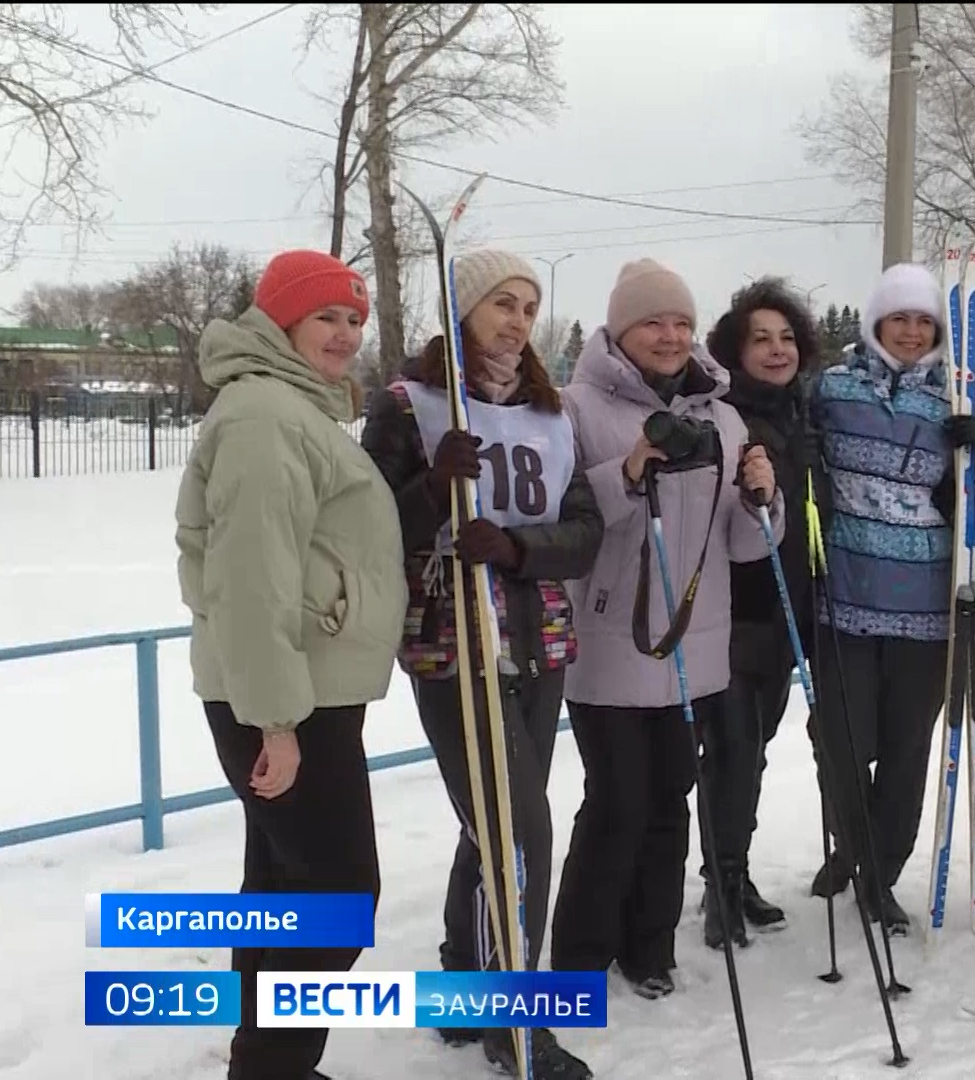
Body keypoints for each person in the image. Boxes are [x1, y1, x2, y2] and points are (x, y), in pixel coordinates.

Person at [358, 249, 601, 1079]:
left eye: (529, 307)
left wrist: (520, 545)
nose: (517, 320)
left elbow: (584, 527)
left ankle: (467, 978)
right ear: (464, 308)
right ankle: (517, 1023)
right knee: (519, 830)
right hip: (453, 640)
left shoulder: (550, 410)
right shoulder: (410, 404)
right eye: (502, 302)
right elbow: (367, 527)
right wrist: (433, 489)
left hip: (540, 637)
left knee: (492, 825)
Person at [174, 249, 405, 1080]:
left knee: (281, 893)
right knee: (340, 901)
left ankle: (267, 1065)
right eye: (326, 318)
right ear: (280, 323)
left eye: (354, 320)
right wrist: (276, 720)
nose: (345, 336)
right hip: (286, 698)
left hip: (304, 689)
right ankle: (272, 1067)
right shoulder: (269, 418)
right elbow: (250, 578)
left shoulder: (292, 408)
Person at [548, 258, 784, 999]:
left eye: (682, 323)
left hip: (694, 646)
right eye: (654, 322)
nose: (671, 335)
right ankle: (581, 957)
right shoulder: (575, 408)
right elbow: (563, 525)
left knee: (669, 804)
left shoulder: (721, 414)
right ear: (621, 330)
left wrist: (761, 503)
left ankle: (649, 947)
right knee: (616, 803)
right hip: (612, 641)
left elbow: (745, 546)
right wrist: (627, 471)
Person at [804, 261, 975, 936]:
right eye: (901, 319)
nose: (913, 333)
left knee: (903, 753)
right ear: (875, 323)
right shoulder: (832, 391)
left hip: (925, 607)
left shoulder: (952, 400)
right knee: (840, 739)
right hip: (846, 595)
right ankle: (854, 843)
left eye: (925, 322)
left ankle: (877, 874)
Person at [698, 277, 822, 949]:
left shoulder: (804, 415)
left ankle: (734, 871)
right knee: (733, 756)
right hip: (738, 613)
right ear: (735, 350)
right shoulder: (728, 416)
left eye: (786, 339)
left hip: (789, 614)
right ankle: (719, 886)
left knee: (755, 754)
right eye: (760, 340)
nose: (776, 351)